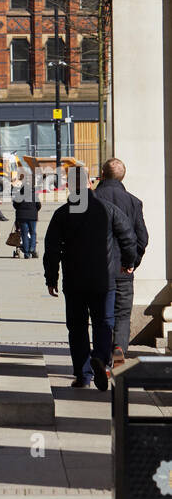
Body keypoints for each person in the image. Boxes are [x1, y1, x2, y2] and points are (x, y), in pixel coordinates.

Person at [43, 167, 137, 390]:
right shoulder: (109, 210)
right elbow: (128, 238)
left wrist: (51, 277)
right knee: (104, 323)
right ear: (90, 184)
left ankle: (82, 375)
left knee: (76, 327)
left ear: (69, 185)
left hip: (74, 281)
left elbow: (52, 249)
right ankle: (101, 359)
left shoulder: (62, 214)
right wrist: (128, 262)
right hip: (104, 280)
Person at [92, 158, 149, 366]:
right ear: (123, 177)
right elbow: (142, 238)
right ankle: (119, 348)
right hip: (124, 269)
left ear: (102, 174)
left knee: (100, 314)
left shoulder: (91, 199)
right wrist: (132, 262)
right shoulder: (133, 201)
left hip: (98, 269)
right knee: (123, 313)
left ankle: (102, 354)